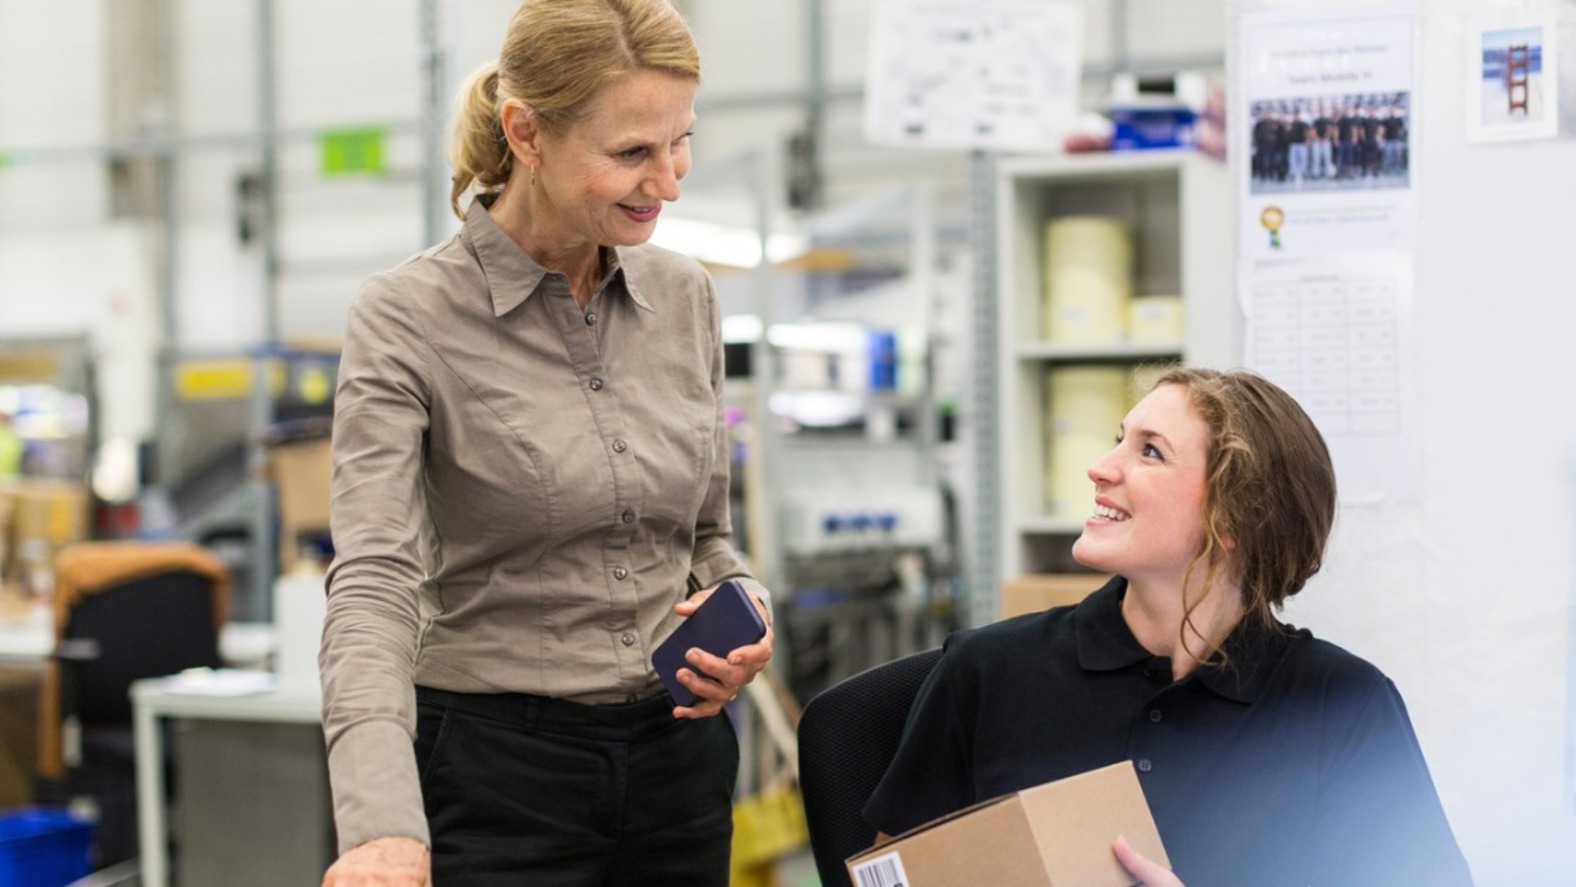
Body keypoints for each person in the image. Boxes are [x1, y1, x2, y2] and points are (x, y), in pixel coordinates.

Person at [318, 2, 774, 884]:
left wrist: (744, 607)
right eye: (632, 153)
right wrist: (379, 823)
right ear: (525, 133)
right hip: (497, 780)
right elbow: (374, 579)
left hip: (679, 763)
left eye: (680, 141)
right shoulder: (407, 316)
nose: (669, 181)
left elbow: (707, 538)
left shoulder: (685, 297)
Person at [864, 368, 1473, 886]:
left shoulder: (1342, 706)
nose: (1101, 468)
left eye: (1149, 451)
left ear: (1237, 516)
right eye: (1118, 440)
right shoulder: (986, 670)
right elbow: (892, 873)